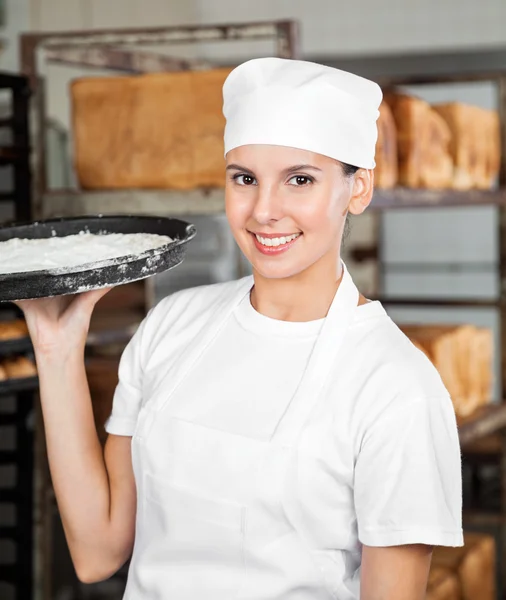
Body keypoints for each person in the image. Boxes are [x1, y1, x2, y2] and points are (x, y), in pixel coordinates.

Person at [17, 58, 463, 600]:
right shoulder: (172, 324)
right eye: (244, 179)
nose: (264, 211)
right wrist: (56, 347)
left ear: (359, 189)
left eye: (300, 179)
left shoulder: (396, 386)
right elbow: (96, 552)